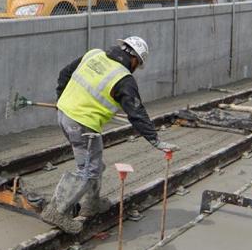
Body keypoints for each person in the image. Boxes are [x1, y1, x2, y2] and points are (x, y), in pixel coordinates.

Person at [43, 36, 177, 234]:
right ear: (134, 60)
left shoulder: (94, 54)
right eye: (137, 64)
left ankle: (92, 204)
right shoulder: (123, 79)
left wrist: (62, 99)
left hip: (65, 114)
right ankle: (57, 210)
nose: (135, 68)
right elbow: (137, 113)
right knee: (88, 170)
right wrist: (156, 141)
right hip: (83, 124)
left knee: (94, 164)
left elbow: (64, 74)